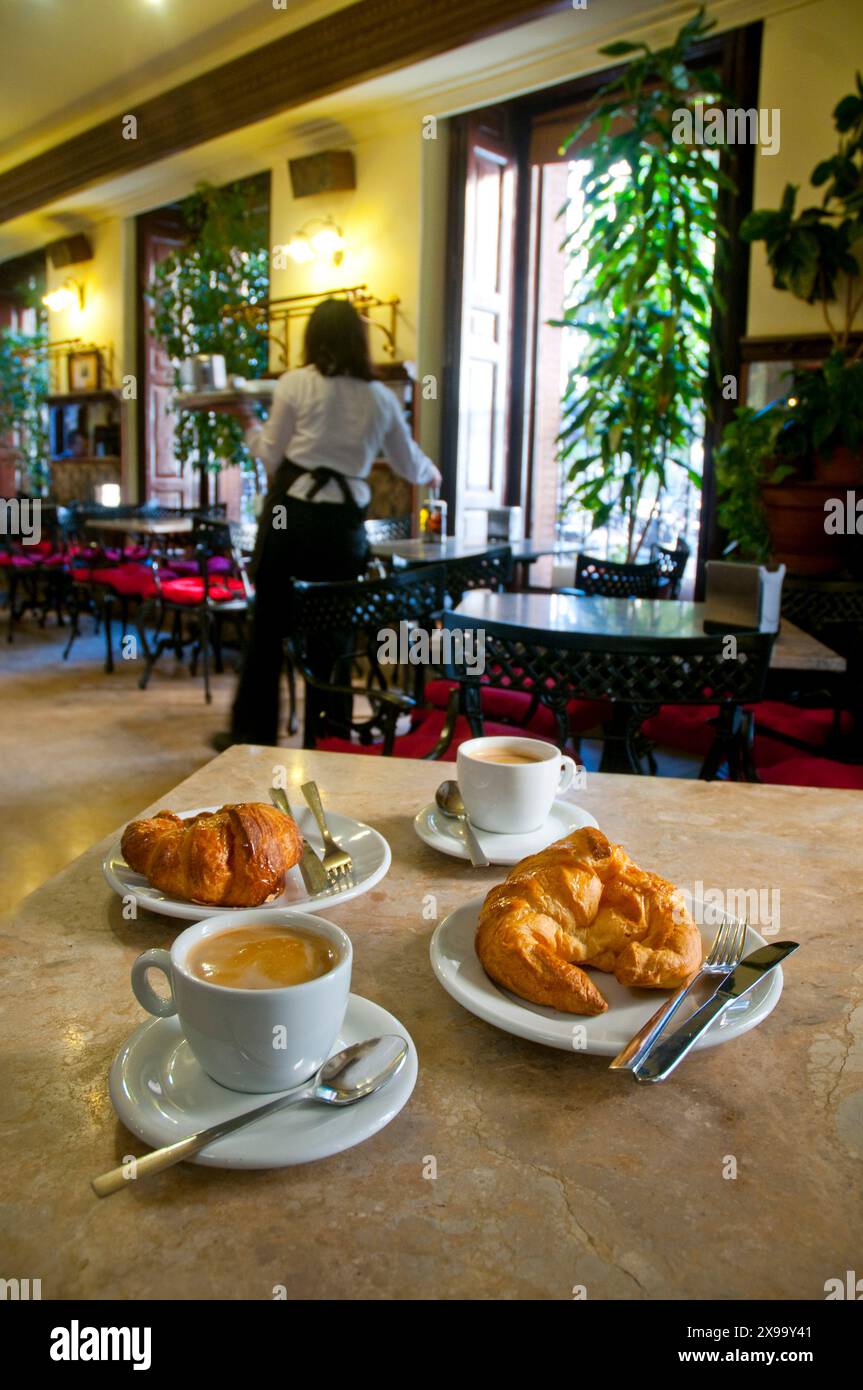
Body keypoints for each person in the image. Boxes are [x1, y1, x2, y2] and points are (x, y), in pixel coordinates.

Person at [226, 298, 441, 746]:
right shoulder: (380, 397)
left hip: (291, 519)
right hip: (343, 530)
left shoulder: (296, 383)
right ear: (360, 343)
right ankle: (329, 740)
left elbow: (269, 453)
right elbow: (407, 462)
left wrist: (246, 420)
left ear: (312, 338)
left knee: (268, 630)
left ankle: (252, 738)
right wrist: (432, 473)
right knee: (334, 638)